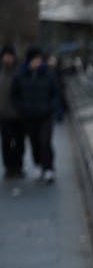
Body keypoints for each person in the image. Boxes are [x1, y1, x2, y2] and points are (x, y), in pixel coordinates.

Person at [11, 46, 59, 183]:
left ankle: (49, 168)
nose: (37, 63)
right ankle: (38, 164)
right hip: (29, 116)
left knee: (45, 141)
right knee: (34, 142)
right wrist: (22, 108)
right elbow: (15, 95)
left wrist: (51, 107)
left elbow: (55, 93)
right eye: (34, 60)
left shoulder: (48, 74)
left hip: (46, 115)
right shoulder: (20, 75)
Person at [1, 45, 25, 178]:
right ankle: (9, 167)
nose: (8, 59)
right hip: (4, 116)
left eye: (10, 56)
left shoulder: (19, 72)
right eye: (6, 56)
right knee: (6, 143)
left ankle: (18, 166)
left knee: (19, 143)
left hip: (19, 115)